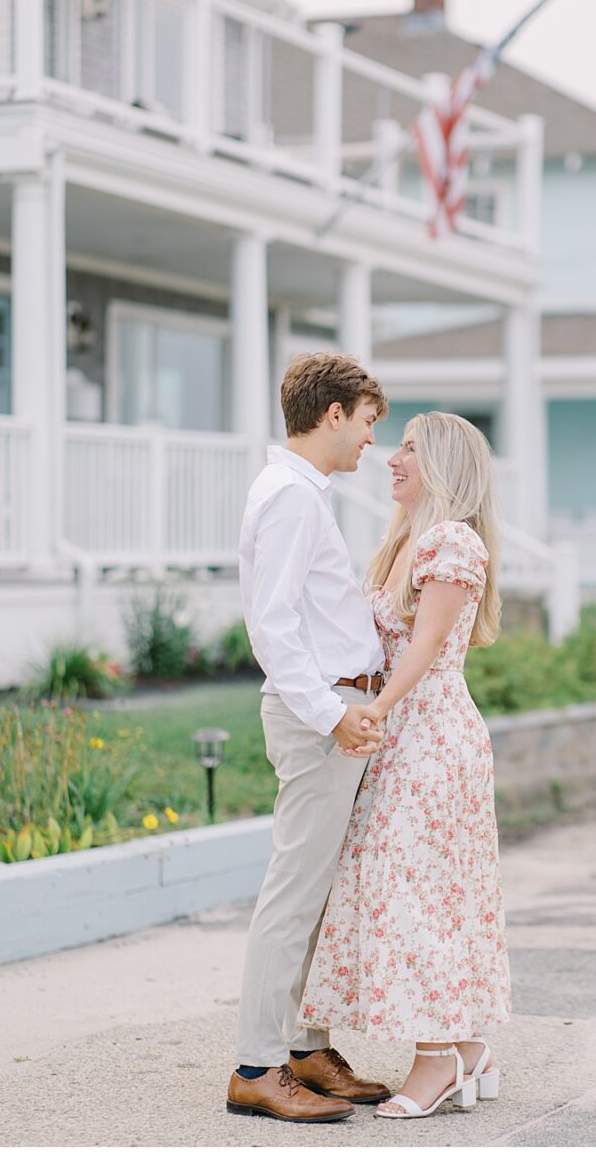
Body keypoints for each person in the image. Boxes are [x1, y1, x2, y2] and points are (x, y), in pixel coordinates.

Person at [300, 411, 512, 1120]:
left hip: (431, 735)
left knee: (418, 898)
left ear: (444, 466)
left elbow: (424, 646)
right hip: (402, 735)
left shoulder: (452, 541)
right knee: (420, 894)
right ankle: (465, 1048)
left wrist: (377, 709)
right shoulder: (405, 539)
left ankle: (435, 1061)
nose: (392, 459)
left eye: (411, 450)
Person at [228, 353, 394, 1122]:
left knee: (318, 892)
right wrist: (332, 712)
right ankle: (258, 1067)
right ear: (333, 415)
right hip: (316, 714)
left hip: (333, 707)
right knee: (295, 892)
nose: (369, 441)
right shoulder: (291, 499)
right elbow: (274, 625)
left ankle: (304, 1047)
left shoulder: (300, 493)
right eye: (365, 423)